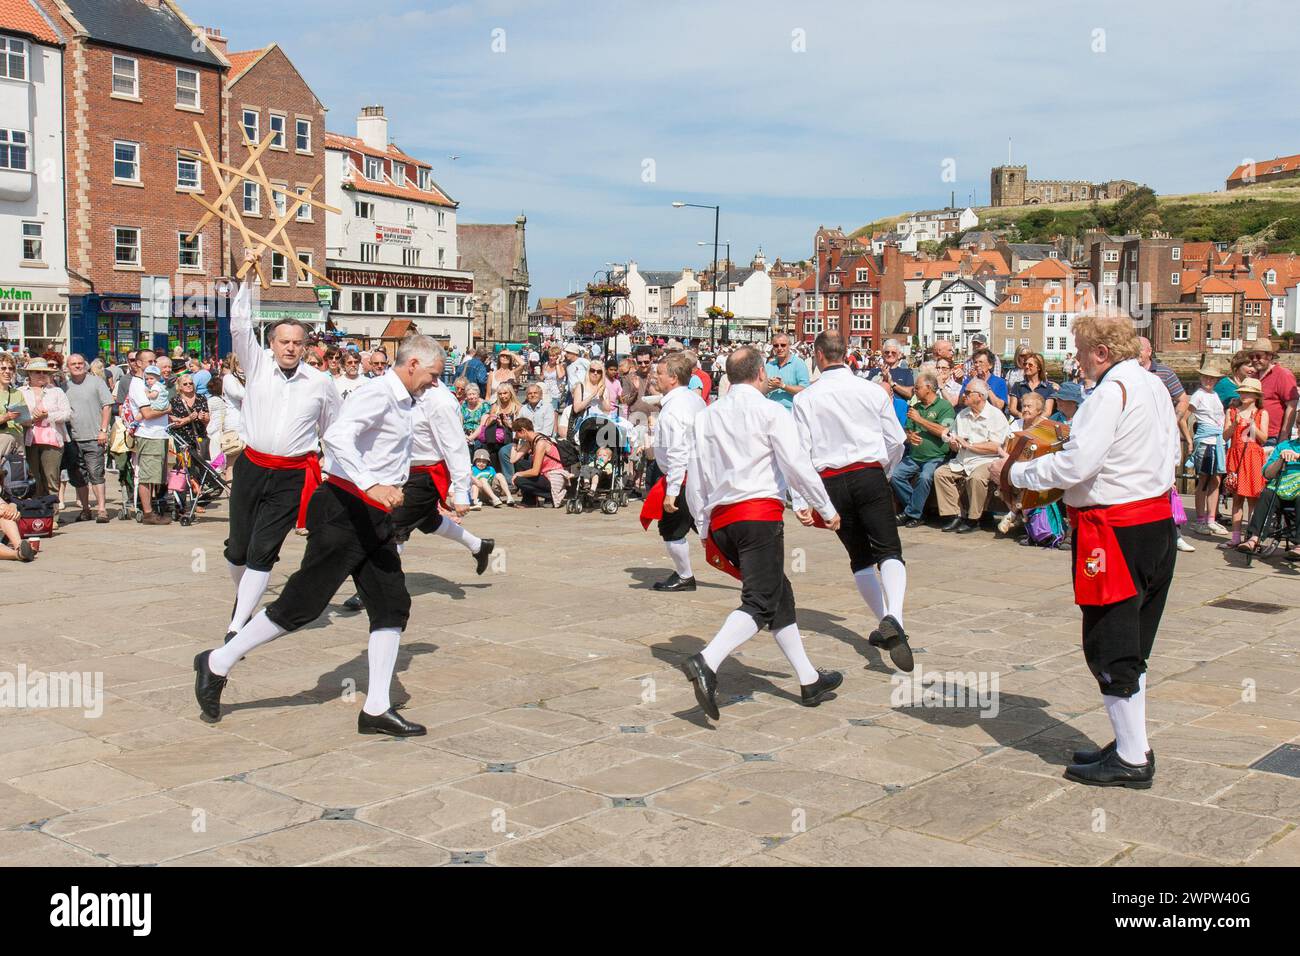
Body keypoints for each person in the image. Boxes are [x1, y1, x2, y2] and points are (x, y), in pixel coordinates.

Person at [194, 333, 445, 738]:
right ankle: (217, 662)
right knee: (302, 604)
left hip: (374, 515)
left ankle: (376, 707)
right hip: (345, 511)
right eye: (433, 374)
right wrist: (370, 484)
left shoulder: (404, 400)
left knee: (391, 605)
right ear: (413, 364)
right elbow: (337, 437)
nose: (435, 382)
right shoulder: (378, 393)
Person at [1007, 313, 1178, 788]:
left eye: (1081, 350)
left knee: (1110, 643)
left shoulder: (1109, 393)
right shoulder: (1154, 385)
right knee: (1135, 642)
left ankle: (1131, 760)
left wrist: (1017, 474)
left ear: (1101, 353)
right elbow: (1173, 453)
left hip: (1114, 530)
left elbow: (1078, 464)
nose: (1076, 359)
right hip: (1156, 523)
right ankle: (1133, 744)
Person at [679, 346, 843, 720]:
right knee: (760, 601)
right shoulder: (771, 411)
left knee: (779, 594)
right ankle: (706, 660)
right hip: (757, 516)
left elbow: (696, 475)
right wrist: (826, 508)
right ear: (759, 375)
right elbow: (797, 463)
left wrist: (704, 528)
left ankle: (808, 679)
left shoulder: (707, 417)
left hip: (721, 519)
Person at [222, 281, 341, 643]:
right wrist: (246, 281)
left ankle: (237, 626)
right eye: (283, 341)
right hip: (252, 468)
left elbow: (335, 431)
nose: (290, 347)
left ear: (306, 347)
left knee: (263, 551)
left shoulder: (320, 382)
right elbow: (240, 325)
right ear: (271, 344)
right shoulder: (256, 367)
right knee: (238, 549)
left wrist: (339, 478)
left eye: (297, 342)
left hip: (292, 475)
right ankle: (243, 602)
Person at [793, 332, 913, 672]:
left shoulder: (806, 399)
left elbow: (800, 453)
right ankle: (895, 618)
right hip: (869, 472)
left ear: (817, 355)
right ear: (845, 353)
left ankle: (887, 622)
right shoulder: (871, 390)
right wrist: (883, 471)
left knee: (859, 556)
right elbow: (896, 440)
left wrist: (800, 497)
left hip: (831, 481)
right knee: (889, 549)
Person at [342, 349, 493, 612]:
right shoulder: (394, 391)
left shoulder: (440, 401)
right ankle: (479, 545)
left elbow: (455, 446)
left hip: (424, 474)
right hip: (396, 471)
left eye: (435, 375)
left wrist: (461, 493)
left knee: (393, 529)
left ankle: (373, 591)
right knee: (428, 521)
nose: (433, 380)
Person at [639, 351, 706, 592]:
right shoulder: (694, 400)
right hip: (695, 474)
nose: (655, 377)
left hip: (682, 476)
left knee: (671, 528)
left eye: (660, 373)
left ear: (674, 378)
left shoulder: (675, 410)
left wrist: (672, 490)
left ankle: (685, 576)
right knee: (705, 526)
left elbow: (678, 451)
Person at [934, 378, 1009, 533]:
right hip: (963, 459)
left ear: (980, 396)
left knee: (976, 478)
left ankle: (973, 519)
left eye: (968, 392)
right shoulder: (962, 414)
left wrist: (970, 445)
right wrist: (953, 444)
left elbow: (996, 447)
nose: (964, 395)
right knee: (940, 474)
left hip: (986, 460)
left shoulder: (996, 416)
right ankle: (955, 515)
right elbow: (955, 440)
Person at [893, 369, 956, 527]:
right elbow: (907, 431)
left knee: (925, 477)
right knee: (895, 476)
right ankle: (916, 511)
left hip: (936, 457)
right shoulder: (916, 407)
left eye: (918, 386)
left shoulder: (944, 407)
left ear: (929, 387)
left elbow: (944, 431)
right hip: (914, 456)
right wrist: (909, 437)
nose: (914, 389)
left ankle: (911, 513)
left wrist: (920, 420)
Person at [62, 354, 114, 522]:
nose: (77, 366)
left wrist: (103, 430)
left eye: (80, 363)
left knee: (96, 473)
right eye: (73, 364)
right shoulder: (64, 386)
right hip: (72, 438)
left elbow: (107, 406)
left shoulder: (96, 382)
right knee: (78, 476)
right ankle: (85, 509)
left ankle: (101, 509)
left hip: (94, 436)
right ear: (68, 367)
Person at [1222, 378, 1268, 548]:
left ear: (1256, 395)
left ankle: (1251, 536)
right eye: (1242, 391)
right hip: (1236, 457)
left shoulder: (1262, 413)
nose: (1244, 395)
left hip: (1253, 457)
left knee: (1253, 499)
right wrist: (1234, 424)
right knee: (1237, 499)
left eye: (1247, 392)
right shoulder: (1232, 411)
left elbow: (1263, 439)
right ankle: (1235, 537)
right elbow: (1225, 436)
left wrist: (1253, 425)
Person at [1184, 360, 1228, 537]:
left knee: (1216, 480)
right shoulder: (1198, 395)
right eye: (1206, 377)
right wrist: (1190, 440)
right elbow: (1184, 417)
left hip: (1218, 441)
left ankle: (1211, 518)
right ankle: (1200, 519)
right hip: (1206, 441)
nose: (1209, 380)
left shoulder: (1215, 395)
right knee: (1203, 481)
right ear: (1201, 377)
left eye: (1213, 378)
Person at [1237, 438, 1300, 558]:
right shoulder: (1284, 446)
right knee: (1266, 494)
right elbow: (1267, 474)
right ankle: (1254, 538)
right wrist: (1280, 460)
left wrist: (1297, 456)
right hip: (1281, 485)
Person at [20, 358, 71, 501]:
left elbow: (67, 414)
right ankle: (37, 516)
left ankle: (52, 516)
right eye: (37, 372)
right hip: (29, 440)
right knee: (33, 479)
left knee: (51, 478)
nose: (41, 374)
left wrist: (47, 416)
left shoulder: (56, 391)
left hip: (53, 440)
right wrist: (32, 418)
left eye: (45, 372)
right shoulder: (20, 392)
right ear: (29, 374)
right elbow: (17, 417)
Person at [1248, 337, 1298, 445]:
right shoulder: (1253, 377)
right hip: (1253, 433)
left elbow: (1292, 406)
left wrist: (1284, 437)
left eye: (1258, 356)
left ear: (1270, 356)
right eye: (1252, 357)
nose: (1254, 360)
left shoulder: (1283, 375)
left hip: (1273, 436)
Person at [510, 417, 568, 508]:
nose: (516, 435)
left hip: (553, 478)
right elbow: (513, 459)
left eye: (516, 433)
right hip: (544, 475)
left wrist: (518, 474)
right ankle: (530, 500)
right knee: (519, 463)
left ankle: (551, 496)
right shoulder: (531, 441)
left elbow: (535, 471)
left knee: (519, 480)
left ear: (523, 430)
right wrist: (515, 441)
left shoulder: (540, 443)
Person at [763, 333, 809, 412]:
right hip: (770, 412)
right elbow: (760, 390)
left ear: (789, 346)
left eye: (783, 345)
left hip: (791, 412)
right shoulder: (768, 365)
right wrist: (770, 387)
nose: (779, 348)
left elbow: (804, 390)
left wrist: (783, 386)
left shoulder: (799, 364)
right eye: (776, 346)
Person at [0, 353, 28, 479]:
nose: (7, 372)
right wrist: (6, 417)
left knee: (16, 478)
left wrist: (32, 418)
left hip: (18, 439)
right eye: (3, 368)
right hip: (2, 440)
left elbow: (26, 420)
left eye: (11, 369)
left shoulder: (17, 393)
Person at [957, 348, 1008, 413]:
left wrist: (985, 385)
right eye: (975, 362)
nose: (977, 365)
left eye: (981, 362)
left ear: (990, 365)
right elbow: (961, 402)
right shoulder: (968, 381)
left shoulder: (1000, 382)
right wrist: (973, 383)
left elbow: (999, 406)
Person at [1008, 352, 1056, 420]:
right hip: (1021, 423)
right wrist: (1022, 416)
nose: (1027, 367)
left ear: (1039, 367)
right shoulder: (1017, 386)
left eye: (1030, 365)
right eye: (1025, 364)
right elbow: (1012, 409)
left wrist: (1035, 421)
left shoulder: (1048, 388)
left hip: (1040, 424)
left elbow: (1048, 411)